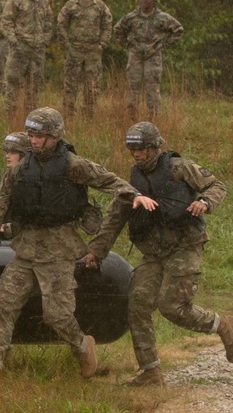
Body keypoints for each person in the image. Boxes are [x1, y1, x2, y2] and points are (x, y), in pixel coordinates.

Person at [0, 107, 154, 378]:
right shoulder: (20, 169)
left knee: (57, 316)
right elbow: (0, 203)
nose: (34, 140)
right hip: (27, 247)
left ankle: (81, 345)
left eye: (40, 135)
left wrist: (133, 194)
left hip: (58, 248)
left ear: (54, 136)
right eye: (31, 134)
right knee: (2, 304)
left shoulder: (73, 165)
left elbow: (107, 179)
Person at [83, 122, 232, 386]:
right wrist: (96, 251)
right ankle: (151, 371)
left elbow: (217, 186)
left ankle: (222, 325)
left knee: (173, 307)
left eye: (141, 149)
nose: (137, 154)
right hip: (154, 253)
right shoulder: (131, 182)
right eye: (132, 150)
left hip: (185, 245)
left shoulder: (179, 168)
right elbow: (115, 219)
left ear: (154, 147)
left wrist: (205, 202)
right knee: (137, 302)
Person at [114, 0, 184, 123]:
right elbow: (118, 30)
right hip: (135, 57)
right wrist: (128, 45)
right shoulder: (132, 17)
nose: (144, 1)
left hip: (153, 57)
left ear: (153, 0)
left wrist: (163, 44)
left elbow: (178, 30)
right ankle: (132, 120)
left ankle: (153, 121)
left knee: (153, 90)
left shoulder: (162, 17)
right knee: (133, 89)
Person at [56, 0, 112, 120]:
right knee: (70, 86)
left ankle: (89, 118)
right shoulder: (70, 5)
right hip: (74, 51)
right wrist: (67, 44)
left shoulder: (100, 6)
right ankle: (68, 117)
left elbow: (107, 26)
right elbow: (61, 24)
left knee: (92, 88)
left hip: (93, 53)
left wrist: (102, 44)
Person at [1, 0, 52, 120]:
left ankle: (31, 119)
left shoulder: (44, 2)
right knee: (13, 84)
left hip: (37, 51)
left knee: (34, 86)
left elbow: (49, 24)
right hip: (19, 49)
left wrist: (45, 41)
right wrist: (14, 42)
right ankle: (11, 117)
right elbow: (6, 22)